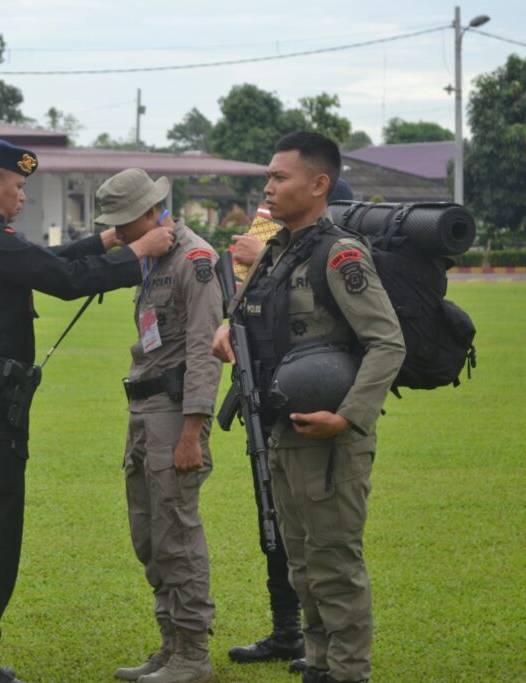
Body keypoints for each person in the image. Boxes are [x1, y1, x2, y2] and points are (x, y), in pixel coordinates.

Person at [0, 138, 175, 683]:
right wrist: (138, 250)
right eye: (17, 187)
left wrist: (103, 241)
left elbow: (40, 262)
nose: (21, 197)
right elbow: (63, 281)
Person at [212, 132, 405, 683]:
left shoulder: (339, 253)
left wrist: (348, 416)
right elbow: (244, 310)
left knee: (334, 567)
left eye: (279, 177)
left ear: (318, 184)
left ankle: (346, 673)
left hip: (330, 438)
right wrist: (227, 329)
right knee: (302, 565)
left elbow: (387, 342)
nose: (267, 187)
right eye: (268, 176)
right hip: (282, 429)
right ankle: (318, 665)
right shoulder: (275, 248)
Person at [94, 169, 222, 683]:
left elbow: (204, 350)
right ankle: (170, 645)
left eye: (123, 222)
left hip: (176, 414)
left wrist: (193, 429)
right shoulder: (151, 257)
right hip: (143, 411)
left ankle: (194, 653)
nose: (118, 233)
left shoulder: (196, 260)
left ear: (152, 211)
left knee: (176, 532)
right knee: (147, 535)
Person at [226, 176, 355, 670]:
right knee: (274, 519)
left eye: (281, 178)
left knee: (312, 534)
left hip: (313, 394)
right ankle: (288, 631)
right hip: (265, 390)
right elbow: (238, 295)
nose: (271, 188)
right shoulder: (266, 226)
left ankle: (323, 649)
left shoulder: (332, 226)